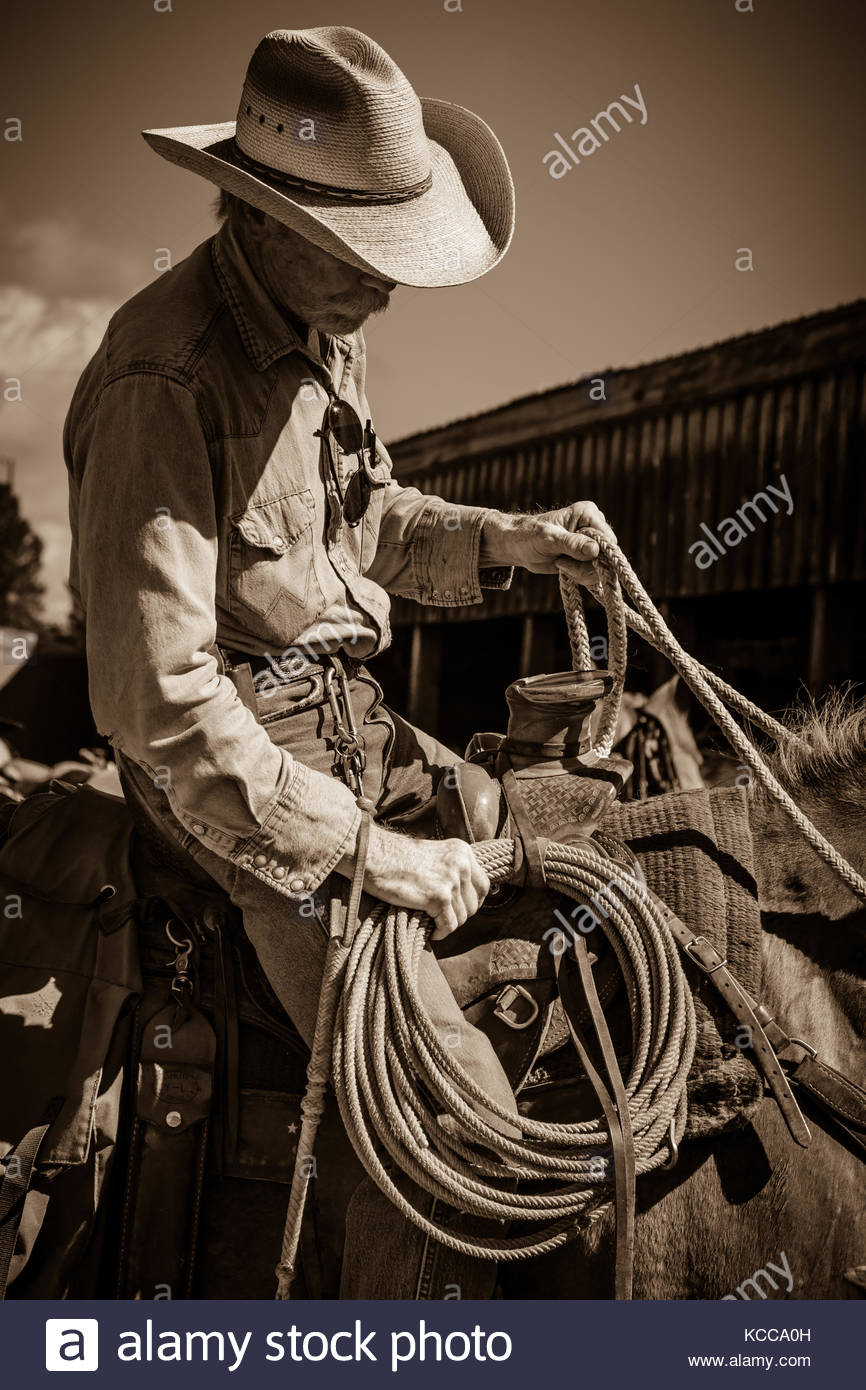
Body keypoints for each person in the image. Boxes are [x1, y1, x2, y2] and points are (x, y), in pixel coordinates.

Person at [64, 26, 615, 1297]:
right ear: (263, 219)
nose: (390, 288)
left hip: (346, 715)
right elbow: (160, 706)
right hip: (221, 762)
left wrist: (514, 545)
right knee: (446, 1111)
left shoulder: (325, 328)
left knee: (571, 843)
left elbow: (372, 525)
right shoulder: (163, 375)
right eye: (368, 256)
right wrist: (366, 854)